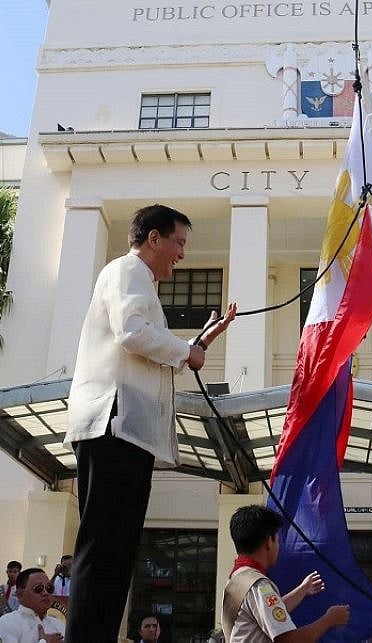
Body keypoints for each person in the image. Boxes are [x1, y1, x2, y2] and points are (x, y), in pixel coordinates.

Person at [64, 204, 237, 643]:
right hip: (112, 426)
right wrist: (186, 350)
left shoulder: (140, 283)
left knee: (117, 553)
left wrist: (194, 346)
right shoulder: (129, 270)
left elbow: (146, 350)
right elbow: (133, 333)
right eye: (178, 242)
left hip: (126, 432)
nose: (182, 253)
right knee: (104, 551)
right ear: (154, 238)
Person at [222, 504, 350, 641]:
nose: (278, 547)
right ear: (268, 542)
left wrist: (302, 589)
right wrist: (329, 619)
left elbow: (271, 612)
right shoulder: (259, 585)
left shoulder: (239, 577)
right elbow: (288, 639)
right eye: (277, 540)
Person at [0, 567, 65, 642]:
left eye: (49, 588)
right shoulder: (7, 622)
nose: (46, 593)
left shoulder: (58, 624)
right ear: (20, 594)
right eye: (38, 588)